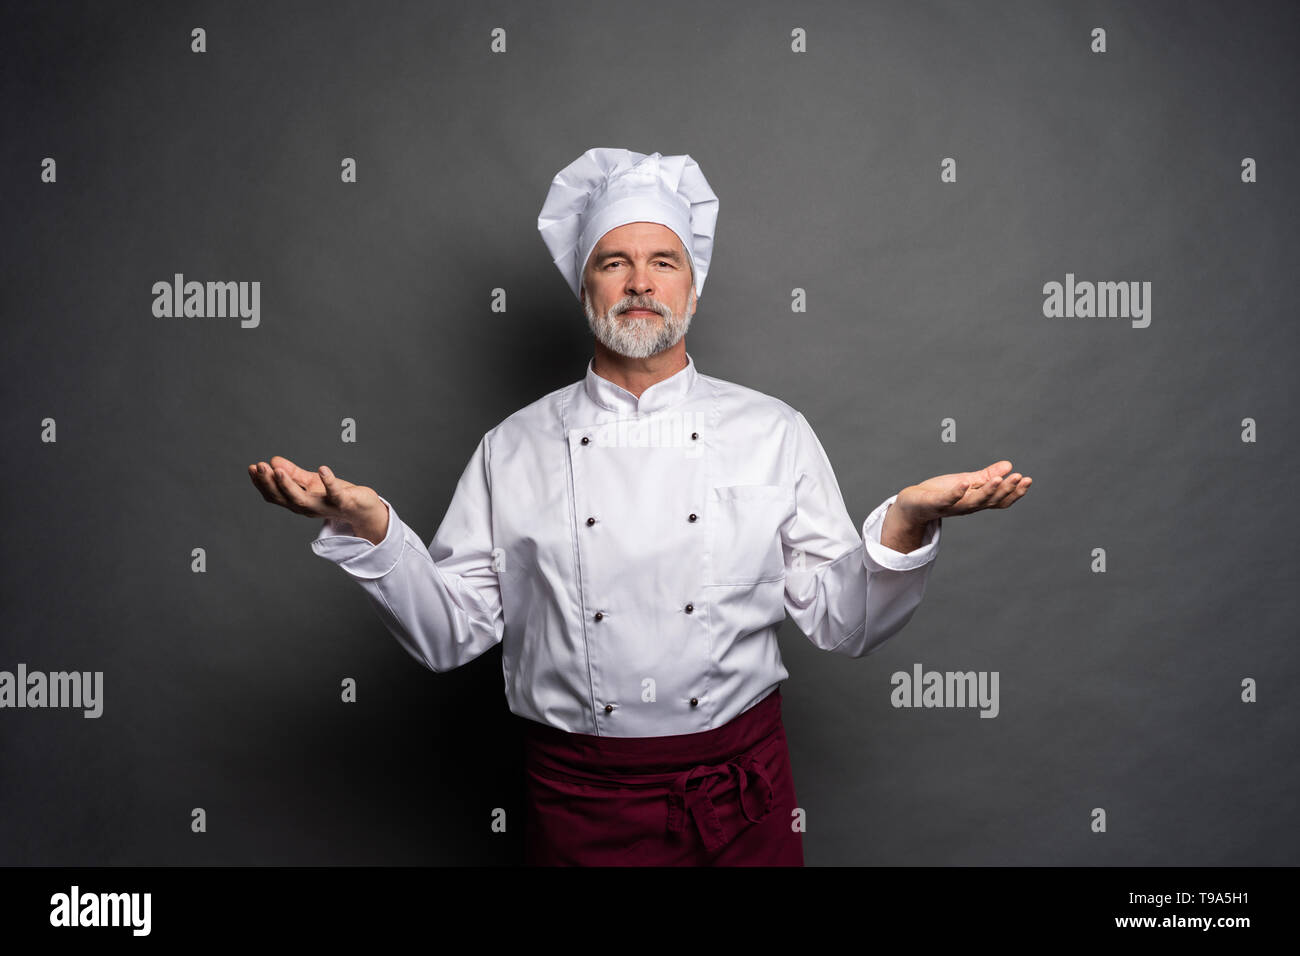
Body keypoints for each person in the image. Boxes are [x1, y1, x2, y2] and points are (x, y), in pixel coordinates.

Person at [248, 147, 1032, 866]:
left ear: (692, 283)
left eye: (664, 261)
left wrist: (906, 524)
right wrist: (374, 533)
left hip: (740, 796)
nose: (640, 283)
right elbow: (451, 634)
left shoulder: (773, 431)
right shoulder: (512, 447)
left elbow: (843, 621)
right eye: (613, 262)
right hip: (581, 800)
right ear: (584, 285)